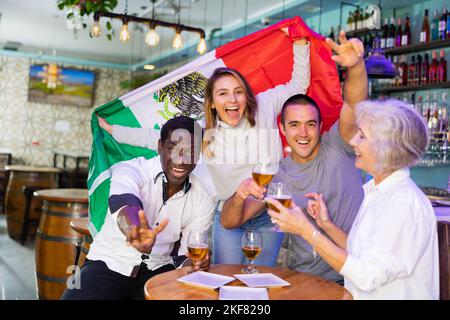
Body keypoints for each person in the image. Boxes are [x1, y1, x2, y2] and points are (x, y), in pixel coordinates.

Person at [97, 33, 311, 267]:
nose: (233, 99)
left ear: (246, 94)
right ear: (211, 102)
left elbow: (298, 85)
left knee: (259, 278)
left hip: (267, 214)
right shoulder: (205, 133)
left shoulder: (265, 105)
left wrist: (301, 44)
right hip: (229, 215)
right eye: (223, 93)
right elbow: (157, 139)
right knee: (225, 279)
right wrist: (114, 129)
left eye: (238, 91)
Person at [221, 31, 367, 284]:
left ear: (321, 127)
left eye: (310, 124)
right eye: (295, 125)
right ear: (283, 130)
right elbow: (231, 221)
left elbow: (355, 104)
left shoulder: (339, 144)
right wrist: (240, 194)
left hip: (354, 275)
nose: (303, 133)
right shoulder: (277, 176)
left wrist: (355, 66)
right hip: (304, 281)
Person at [266, 99, 439, 299]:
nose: (353, 141)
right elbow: (360, 252)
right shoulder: (378, 193)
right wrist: (326, 224)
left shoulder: (403, 202)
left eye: (362, 136)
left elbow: (368, 275)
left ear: (386, 147)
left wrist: (305, 230)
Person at [61, 116, 214, 300]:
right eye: (173, 149)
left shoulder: (203, 198)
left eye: (190, 152)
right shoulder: (131, 169)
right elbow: (125, 203)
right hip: (109, 262)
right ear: (160, 147)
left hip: (158, 271)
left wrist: (195, 263)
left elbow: (185, 257)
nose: (181, 160)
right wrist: (136, 230)